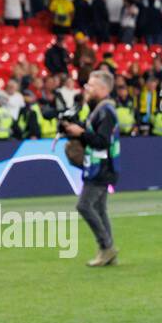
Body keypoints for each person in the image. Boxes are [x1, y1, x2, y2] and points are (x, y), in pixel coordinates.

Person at [62, 69, 121, 268]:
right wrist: (74, 130)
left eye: (91, 85)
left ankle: (106, 247)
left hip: (101, 167)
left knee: (84, 206)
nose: (87, 88)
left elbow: (102, 142)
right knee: (99, 209)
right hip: (101, 167)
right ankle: (108, 251)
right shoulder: (100, 109)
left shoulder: (106, 111)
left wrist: (81, 133)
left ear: (103, 89)